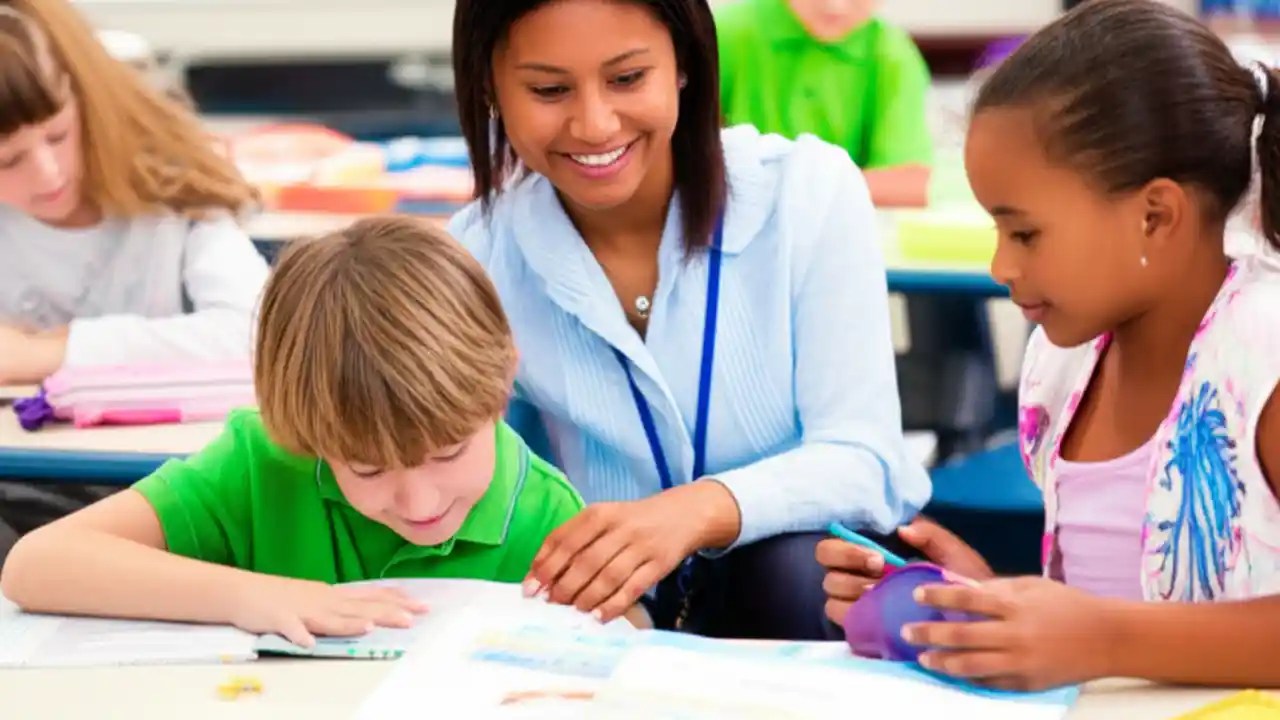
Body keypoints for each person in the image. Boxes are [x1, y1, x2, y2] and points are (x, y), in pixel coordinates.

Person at [818, 0, 1280, 691]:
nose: (1000, 266)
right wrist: (984, 603)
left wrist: (1099, 638)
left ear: (1155, 216)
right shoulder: (1065, 365)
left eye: (1025, 234)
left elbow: (1116, 636)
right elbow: (1124, 611)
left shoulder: (1264, 359)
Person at [448, 0, 930, 640]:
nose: (594, 124)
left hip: (794, 597)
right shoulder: (477, 255)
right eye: (549, 89)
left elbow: (866, 459)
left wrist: (697, 511)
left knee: (793, 573)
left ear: (684, 65)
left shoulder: (808, 193)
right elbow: (482, 481)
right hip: (604, 612)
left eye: (627, 79)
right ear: (490, 87)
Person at [0, 217, 588, 647]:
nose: (419, 501)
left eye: (449, 452)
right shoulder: (264, 461)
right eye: (366, 468)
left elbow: (621, 646)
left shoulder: (545, 514)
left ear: (504, 378)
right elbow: (36, 564)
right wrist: (256, 594)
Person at [0, 0, 269, 562]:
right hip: (19, 491)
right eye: (8, 161)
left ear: (84, 97)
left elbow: (260, 334)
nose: (46, 175)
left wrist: (39, 352)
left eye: (57, 135)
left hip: (170, 489)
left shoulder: (170, 182)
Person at [715, 0, 933, 206]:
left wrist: (790, 192)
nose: (835, 6)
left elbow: (910, 182)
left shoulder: (893, 54)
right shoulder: (726, 36)